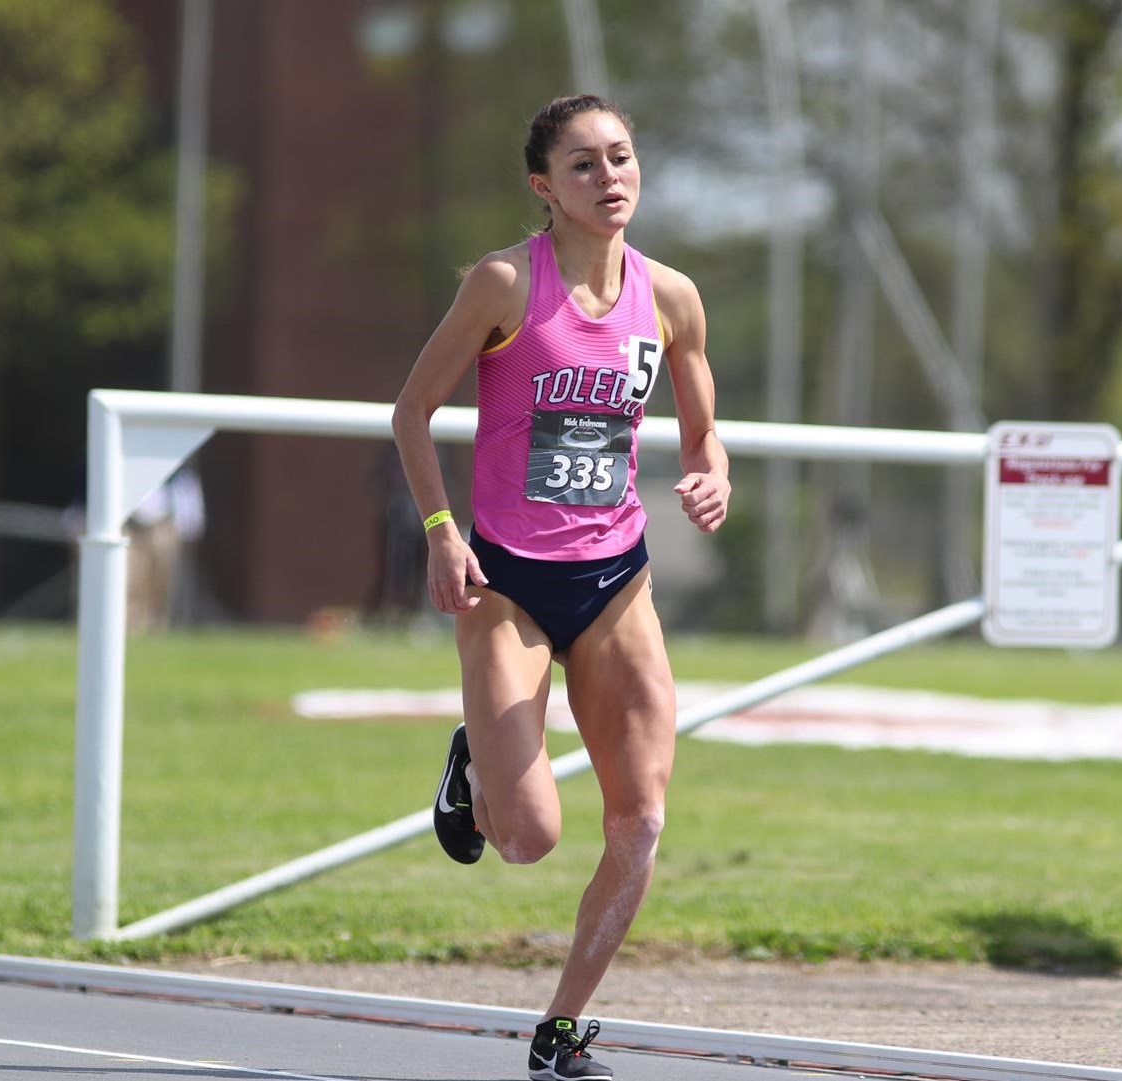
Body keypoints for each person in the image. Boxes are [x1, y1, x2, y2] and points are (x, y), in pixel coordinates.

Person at [391, 94, 729, 1081]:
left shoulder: (671, 297)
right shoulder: (504, 285)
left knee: (644, 819)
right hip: (508, 583)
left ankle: (562, 1030)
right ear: (544, 187)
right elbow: (413, 413)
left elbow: (703, 429)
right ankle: (479, 768)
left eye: (621, 157)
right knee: (530, 836)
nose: (609, 177)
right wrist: (441, 531)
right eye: (583, 165)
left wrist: (712, 471)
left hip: (617, 581)